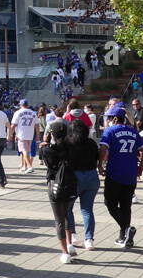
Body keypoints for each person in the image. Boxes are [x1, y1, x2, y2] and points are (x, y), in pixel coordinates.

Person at [99, 105, 143, 248]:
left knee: (110, 203)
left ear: (114, 118)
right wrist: (141, 166)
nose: (108, 120)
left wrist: (100, 165)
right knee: (126, 205)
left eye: (109, 118)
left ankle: (127, 229)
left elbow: (103, 148)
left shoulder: (110, 131)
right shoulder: (133, 132)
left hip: (114, 173)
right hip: (131, 173)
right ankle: (125, 237)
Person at [39, 121, 79, 263]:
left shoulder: (47, 150)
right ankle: (70, 244)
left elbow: (44, 160)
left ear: (52, 134)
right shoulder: (73, 148)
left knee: (59, 220)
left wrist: (45, 142)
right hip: (71, 185)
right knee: (68, 214)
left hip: (54, 185)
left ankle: (65, 253)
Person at [67, 121, 101, 250]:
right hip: (92, 177)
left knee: (68, 208)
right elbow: (97, 157)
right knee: (87, 210)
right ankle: (89, 239)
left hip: (74, 178)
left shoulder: (69, 143)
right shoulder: (91, 143)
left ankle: (73, 235)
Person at [10, 99, 38, 174]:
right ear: (27, 105)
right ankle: (25, 166)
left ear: (20, 105)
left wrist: (10, 134)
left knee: (24, 151)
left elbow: (13, 125)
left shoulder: (18, 112)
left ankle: (29, 166)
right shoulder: (33, 113)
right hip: (30, 134)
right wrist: (38, 135)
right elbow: (37, 125)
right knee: (26, 151)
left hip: (21, 134)